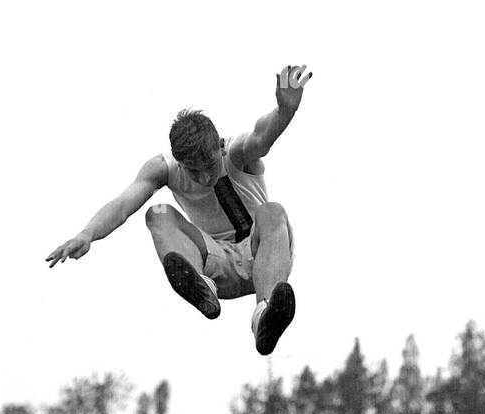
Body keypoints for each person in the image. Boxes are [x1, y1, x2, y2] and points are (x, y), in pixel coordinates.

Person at [47, 64, 312, 356]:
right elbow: (123, 204)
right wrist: (88, 234)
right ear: (178, 159)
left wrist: (285, 111)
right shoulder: (164, 169)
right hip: (216, 260)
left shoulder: (237, 152)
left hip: (262, 259)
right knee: (158, 213)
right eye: (192, 171)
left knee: (272, 211)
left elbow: (262, 137)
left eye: (209, 166)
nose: (203, 178)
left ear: (219, 149)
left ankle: (264, 314)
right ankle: (201, 287)